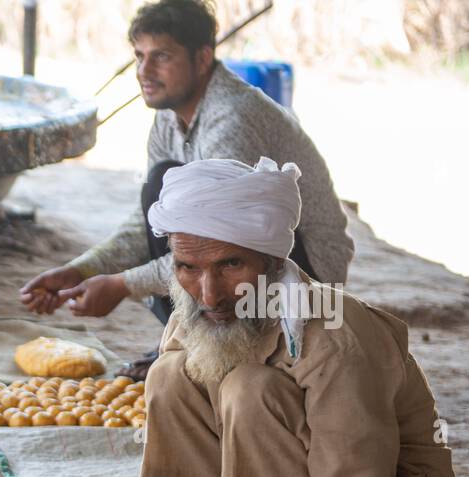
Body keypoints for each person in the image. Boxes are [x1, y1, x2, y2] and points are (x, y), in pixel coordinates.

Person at [83, 156, 469, 477]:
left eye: (230, 265)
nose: (209, 293)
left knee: (250, 390)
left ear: (270, 261)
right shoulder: (198, 316)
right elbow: (172, 452)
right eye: (187, 267)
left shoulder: (334, 339)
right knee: (170, 377)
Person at [20, 0, 353, 379]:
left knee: (193, 229)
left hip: (303, 266)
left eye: (161, 56)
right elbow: (151, 223)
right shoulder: (168, 117)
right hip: (240, 255)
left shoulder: (232, 119)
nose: (144, 71)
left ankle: (227, 352)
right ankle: (197, 343)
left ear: (202, 58)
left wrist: (120, 285)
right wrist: (82, 270)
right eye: (139, 55)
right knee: (160, 193)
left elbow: (225, 245)